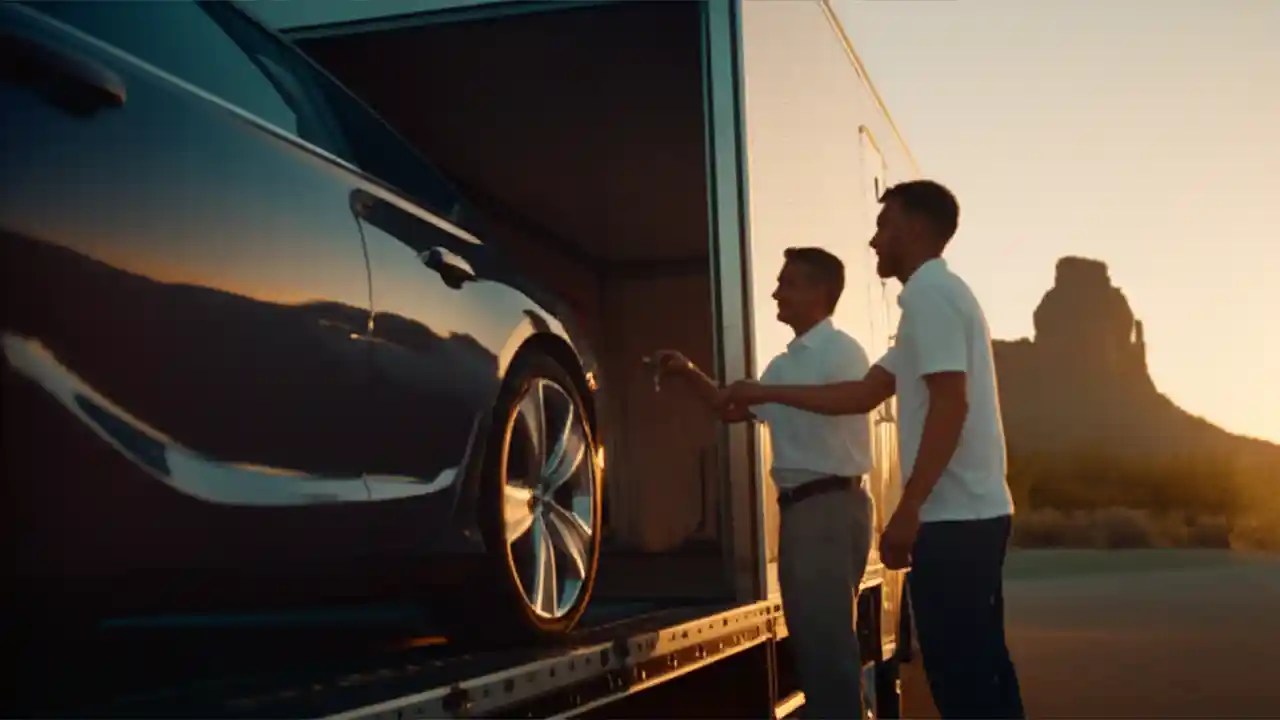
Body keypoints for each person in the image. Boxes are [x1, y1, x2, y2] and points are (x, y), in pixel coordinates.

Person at [726, 180, 1025, 719]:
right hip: (968, 518)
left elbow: (950, 405)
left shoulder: (932, 296)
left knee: (966, 682)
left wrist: (908, 510)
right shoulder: (928, 303)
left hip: (956, 520)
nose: (874, 240)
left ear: (913, 229)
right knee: (981, 673)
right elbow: (863, 393)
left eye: (885, 225)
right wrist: (765, 391)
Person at [650, 247, 875, 719]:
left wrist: (767, 391)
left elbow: (852, 401)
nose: (776, 292)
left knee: (827, 644)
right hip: (803, 513)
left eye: (787, 283)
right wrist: (688, 373)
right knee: (816, 641)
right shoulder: (786, 363)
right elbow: (731, 407)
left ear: (819, 293)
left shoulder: (842, 351)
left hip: (830, 507)